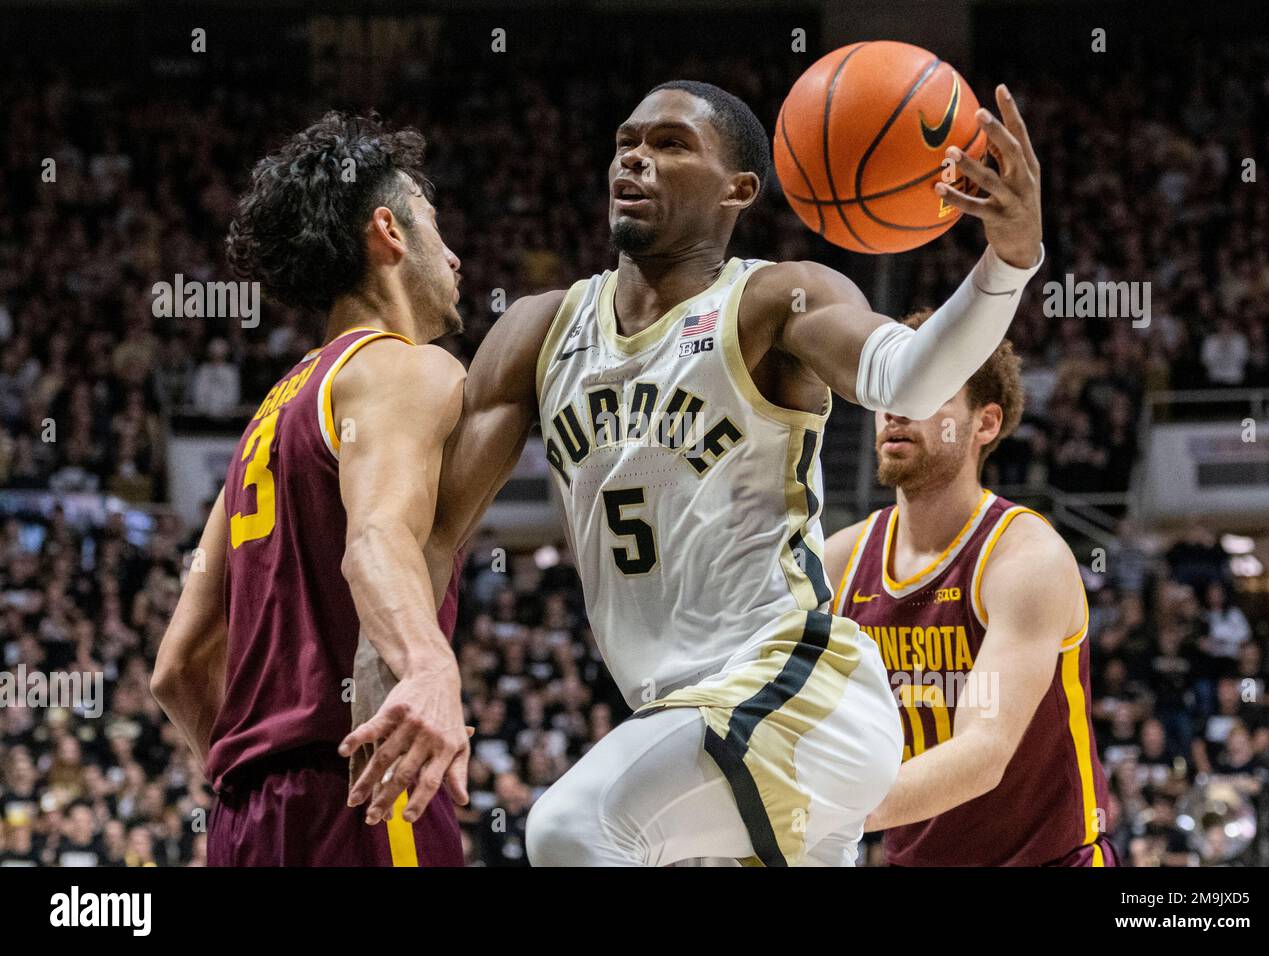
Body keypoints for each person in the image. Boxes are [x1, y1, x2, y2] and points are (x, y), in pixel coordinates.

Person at [406, 79, 1042, 867]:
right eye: (626, 142)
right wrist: (405, 672)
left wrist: (1008, 262)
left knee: (571, 828)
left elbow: (906, 377)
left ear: (739, 189)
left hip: (798, 693)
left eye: (671, 144)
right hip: (691, 720)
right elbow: (435, 533)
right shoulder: (541, 329)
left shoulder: (775, 300)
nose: (636, 157)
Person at [152, 112, 468, 866]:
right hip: (363, 792)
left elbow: (178, 666)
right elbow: (374, 543)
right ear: (389, 232)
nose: (455, 257)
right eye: (435, 225)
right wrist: (428, 670)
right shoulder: (403, 368)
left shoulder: (269, 415)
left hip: (243, 821)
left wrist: (252, 776)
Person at [824, 310, 1114, 866]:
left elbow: (983, 753)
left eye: (926, 390)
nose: (897, 409)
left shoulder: (1025, 557)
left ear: (984, 423)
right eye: (888, 388)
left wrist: (813, 811)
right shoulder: (839, 562)